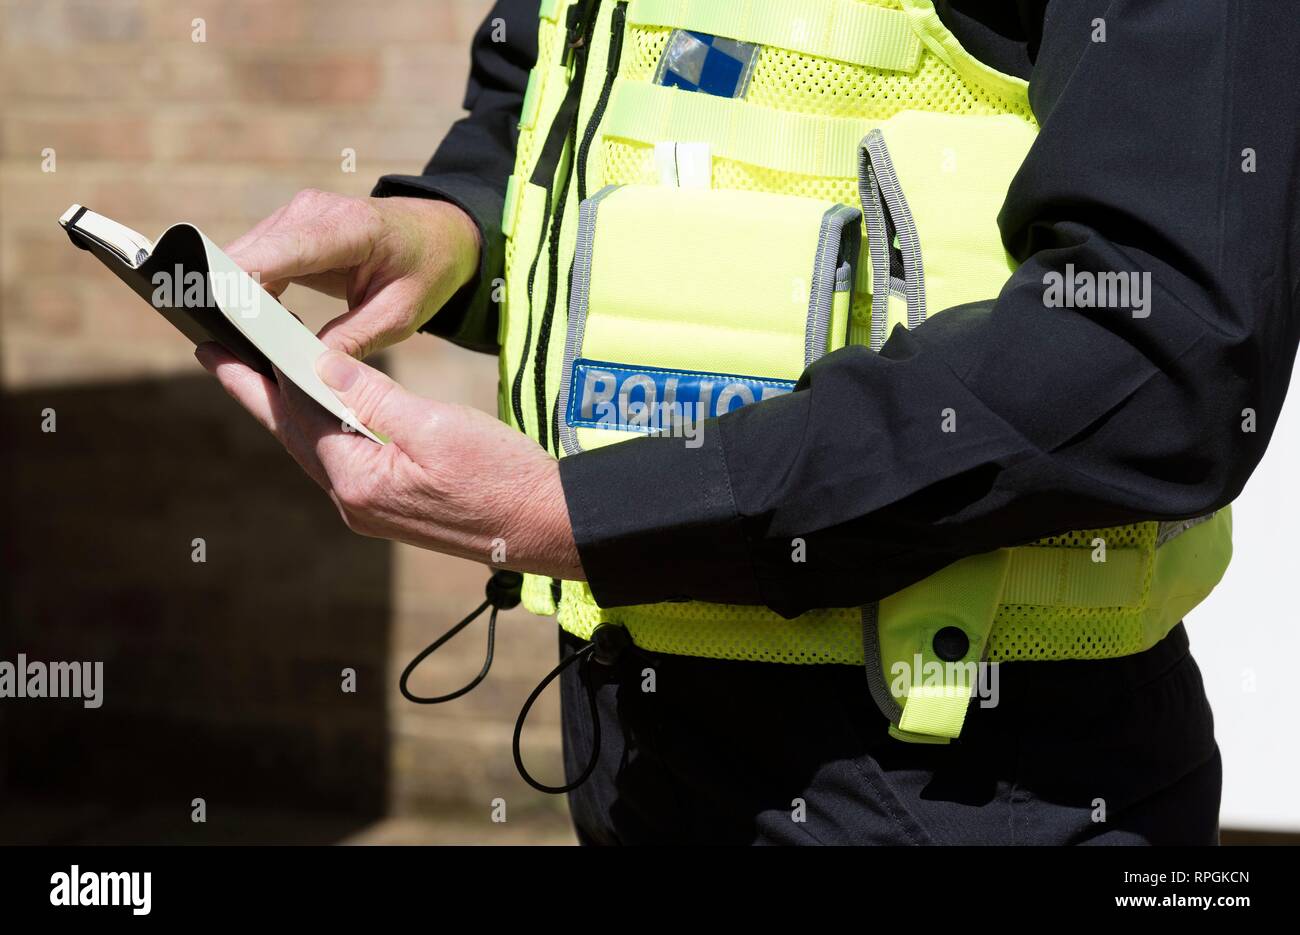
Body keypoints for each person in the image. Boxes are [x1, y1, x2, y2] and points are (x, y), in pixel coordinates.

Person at [195, 0, 1300, 844]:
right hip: (635, 719)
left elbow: (1165, 335)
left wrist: (585, 512)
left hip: (965, 772)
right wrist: (449, 227)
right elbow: (567, 89)